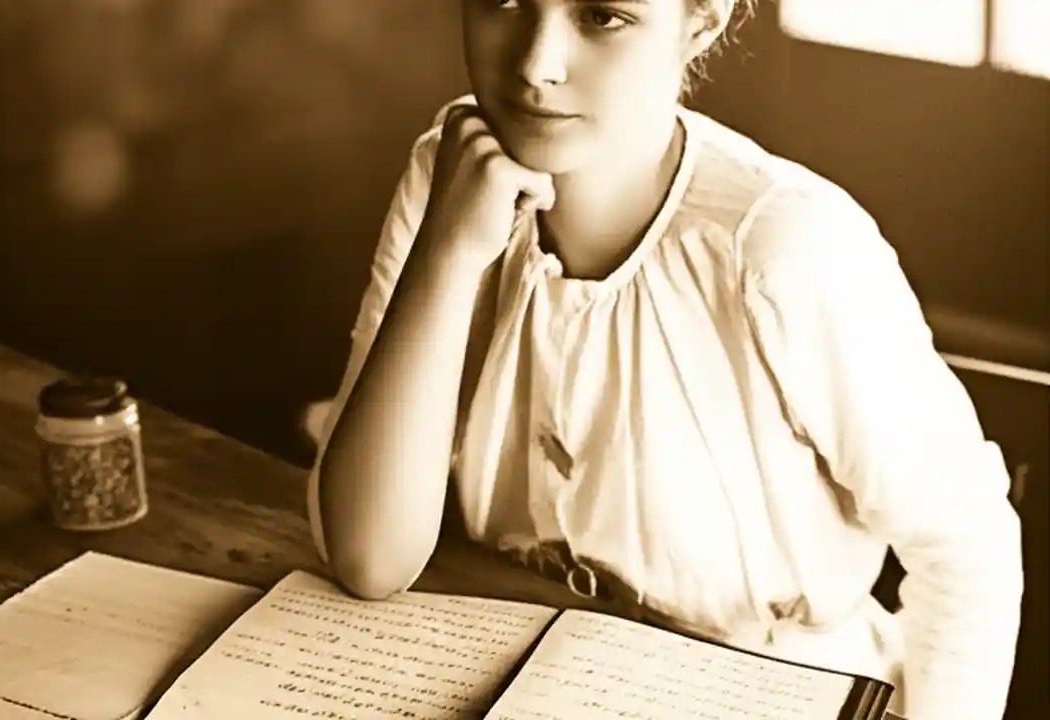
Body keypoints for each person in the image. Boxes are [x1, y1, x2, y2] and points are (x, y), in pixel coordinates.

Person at [305, 1, 1023, 718]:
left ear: (701, 21)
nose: (534, 65)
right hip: (523, 669)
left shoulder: (783, 245)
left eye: (602, 17)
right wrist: (450, 251)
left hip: (778, 692)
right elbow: (370, 557)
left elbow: (966, 552)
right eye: (502, 1)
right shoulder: (453, 173)